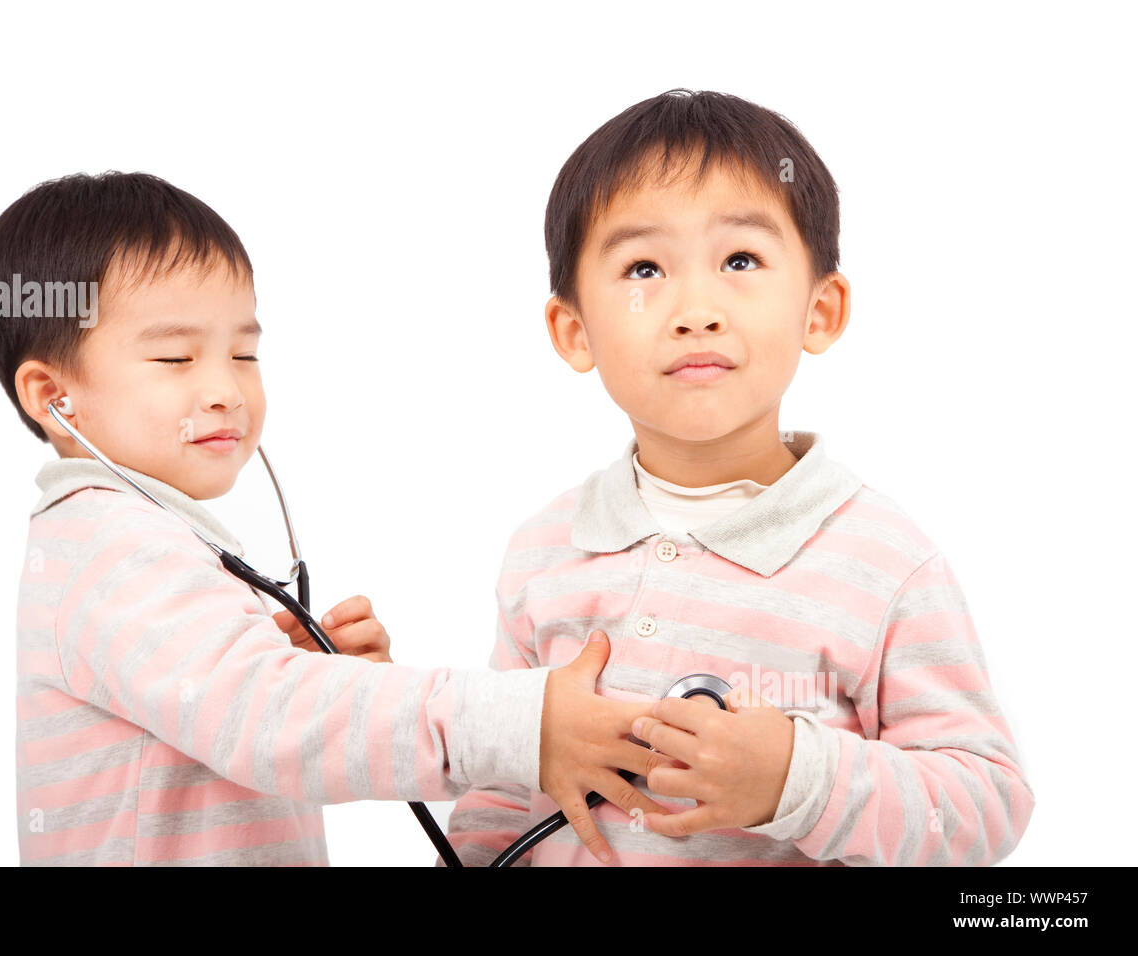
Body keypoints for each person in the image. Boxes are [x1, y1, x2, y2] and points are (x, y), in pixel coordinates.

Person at [0, 170, 668, 865]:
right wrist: (526, 726)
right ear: (54, 397)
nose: (224, 390)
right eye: (174, 357)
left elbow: (241, 710)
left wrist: (309, 673)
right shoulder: (114, 547)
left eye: (243, 353)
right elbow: (269, 719)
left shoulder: (141, 541)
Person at [444, 89, 1035, 866]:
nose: (696, 308)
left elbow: (984, 805)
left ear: (820, 311)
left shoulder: (883, 561)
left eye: (741, 260)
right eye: (644, 266)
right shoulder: (543, 553)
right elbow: (503, 791)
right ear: (574, 330)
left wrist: (798, 779)